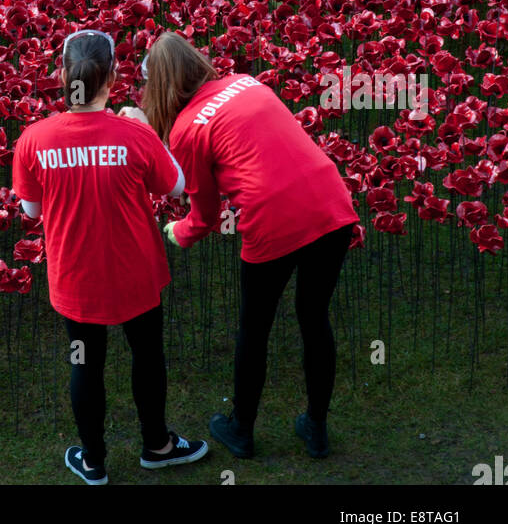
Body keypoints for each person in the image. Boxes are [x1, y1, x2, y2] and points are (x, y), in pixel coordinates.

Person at [140, 32, 358, 460]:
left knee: (254, 329)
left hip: (274, 220)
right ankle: (316, 428)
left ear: (160, 85)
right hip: (331, 203)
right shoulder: (248, 82)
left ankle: (241, 429)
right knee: (314, 318)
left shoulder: (186, 128)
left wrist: (176, 231)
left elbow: (203, 217)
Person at [12, 29, 209, 484]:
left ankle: (94, 460)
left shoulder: (34, 139)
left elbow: (30, 209)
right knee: (147, 355)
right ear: (114, 76)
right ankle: (157, 445)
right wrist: (144, 127)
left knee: (84, 363)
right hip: (136, 272)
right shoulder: (133, 135)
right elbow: (177, 187)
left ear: (62, 75)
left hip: (77, 279)